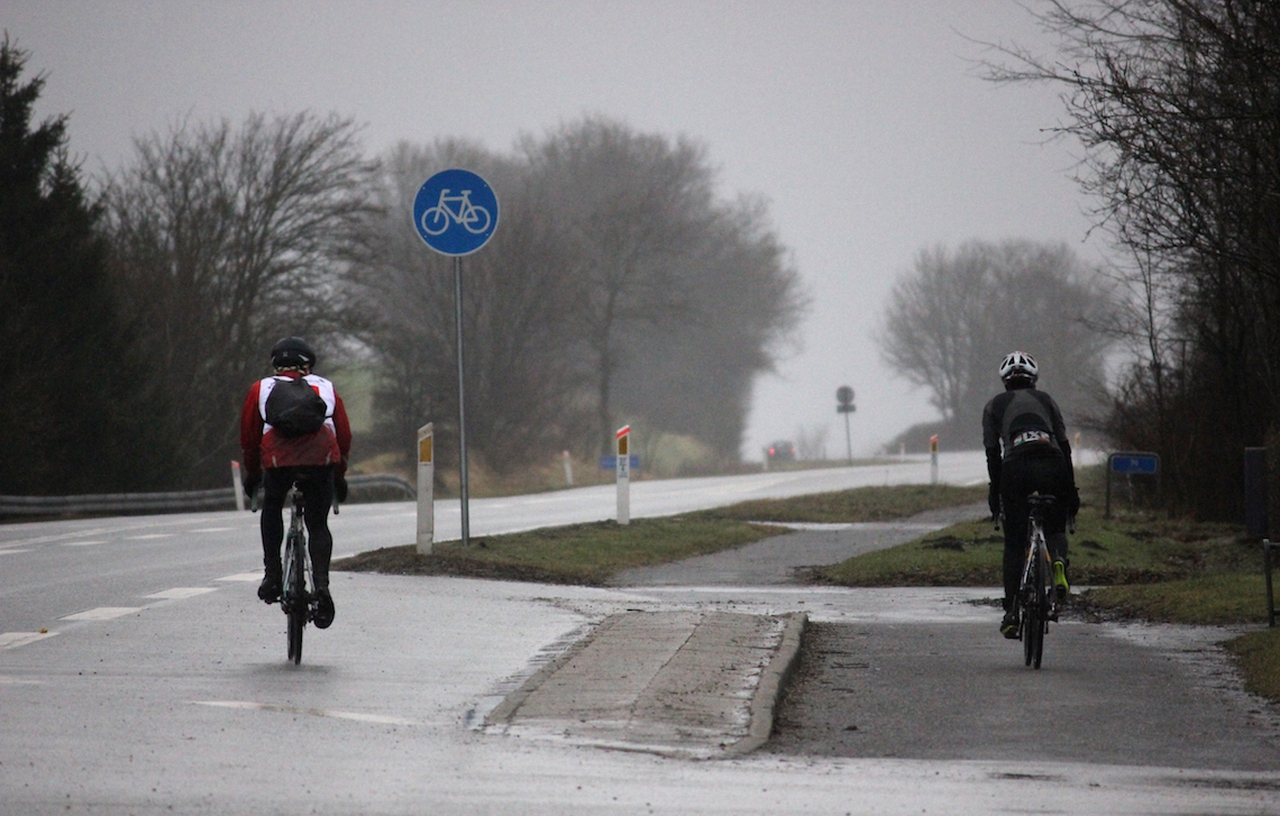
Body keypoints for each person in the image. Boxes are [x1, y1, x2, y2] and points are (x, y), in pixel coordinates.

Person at [239, 337, 351, 629]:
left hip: (279, 463)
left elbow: (250, 440)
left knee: (273, 507)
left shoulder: (261, 388)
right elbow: (344, 435)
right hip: (320, 461)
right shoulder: (325, 386)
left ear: (276, 365)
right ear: (308, 365)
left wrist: (253, 475)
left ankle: (273, 575)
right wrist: (339, 475)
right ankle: (323, 587)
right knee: (317, 524)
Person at [981, 350, 1080, 639]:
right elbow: (1064, 446)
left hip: (1016, 469)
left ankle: (1012, 611)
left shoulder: (993, 406)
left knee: (1014, 542)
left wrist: (995, 492)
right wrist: (1071, 492)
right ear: (1033, 379)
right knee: (1054, 527)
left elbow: (993, 454)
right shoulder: (1047, 400)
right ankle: (1058, 561)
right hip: (1053, 464)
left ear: (1005, 381)